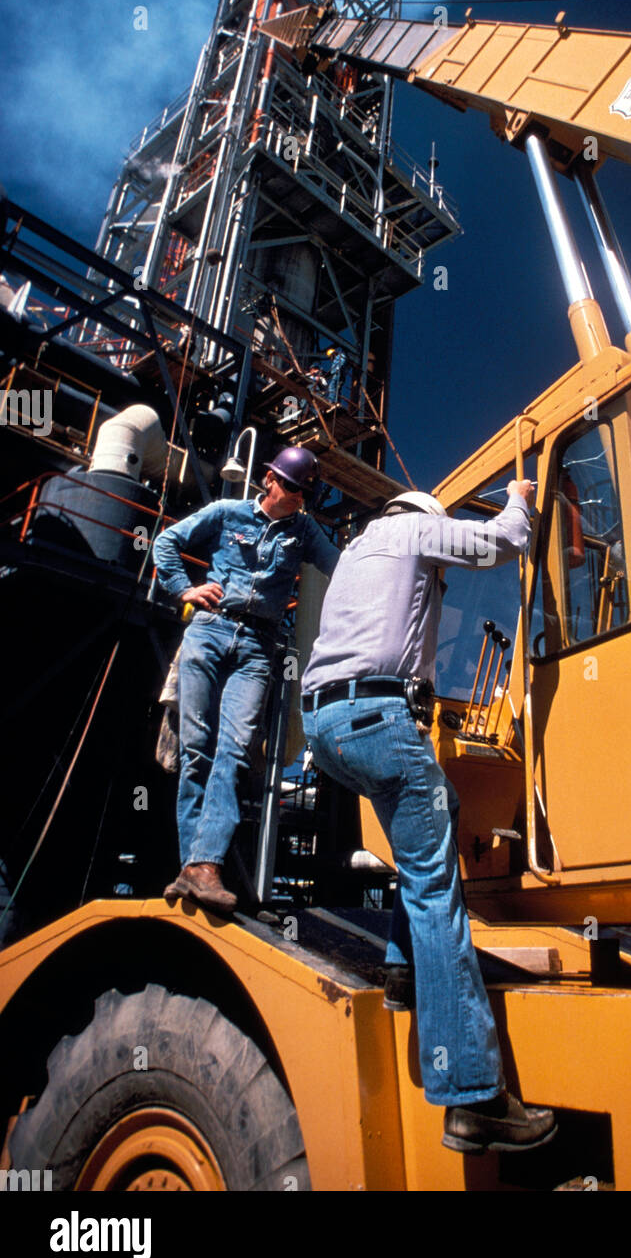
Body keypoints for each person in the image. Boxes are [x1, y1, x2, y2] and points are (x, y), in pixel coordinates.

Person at [299, 483, 556, 1154]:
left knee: (437, 819)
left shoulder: (358, 548)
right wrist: (522, 498)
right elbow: (503, 542)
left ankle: (404, 970)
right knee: (438, 892)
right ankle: (473, 1096)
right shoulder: (415, 532)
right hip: (380, 720)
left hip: (327, 726)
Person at [154, 447, 339, 914]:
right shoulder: (226, 512)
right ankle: (194, 867)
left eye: (306, 492)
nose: (301, 498)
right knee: (196, 748)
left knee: (234, 753)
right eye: (295, 488)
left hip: (258, 648)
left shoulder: (304, 532)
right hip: (210, 631)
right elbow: (164, 543)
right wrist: (185, 588)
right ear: (271, 481)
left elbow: (341, 564)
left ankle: (203, 864)